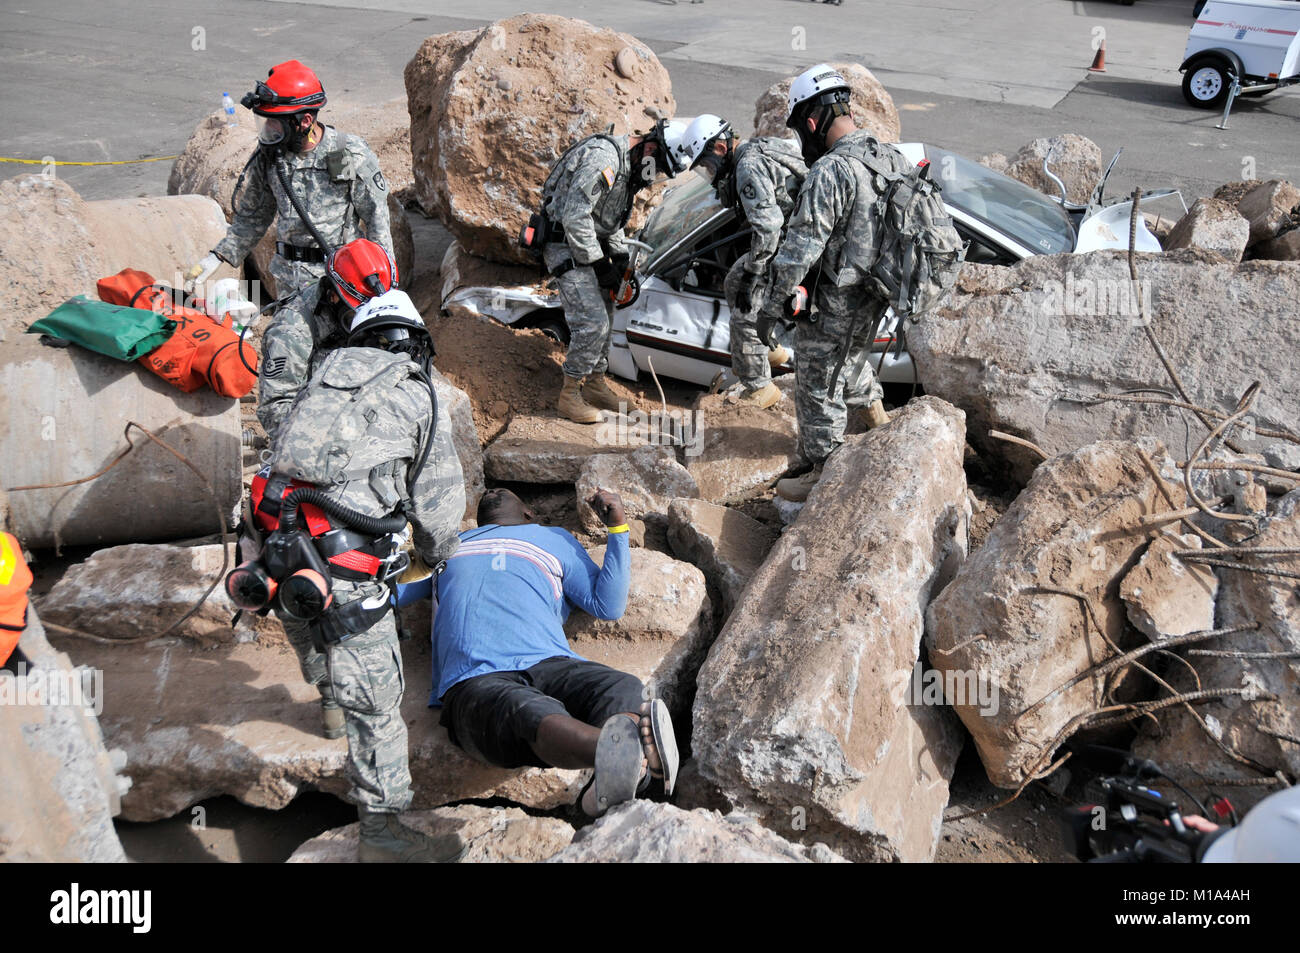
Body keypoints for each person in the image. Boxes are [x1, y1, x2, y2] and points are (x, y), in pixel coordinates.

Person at [248, 289, 465, 861]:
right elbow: (439, 507)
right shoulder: (420, 396)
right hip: (340, 564)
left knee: (312, 625)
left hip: (275, 549)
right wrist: (434, 555)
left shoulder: (322, 376)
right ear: (415, 342)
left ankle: (328, 704)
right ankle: (383, 834)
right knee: (378, 703)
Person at [414, 487, 678, 816]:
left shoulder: (553, 538)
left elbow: (607, 605)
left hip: (549, 664)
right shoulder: (448, 544)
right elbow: (392, 591)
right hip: (477, 679)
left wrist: (618, 527)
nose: (493, 488)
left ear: (528, 514)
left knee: (622, 687)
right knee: (525, 708)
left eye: (506, 489)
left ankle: (604, 786)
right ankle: (617, 751)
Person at [760, 65, 900, 502]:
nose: (803, 139)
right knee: (853, 362)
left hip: (836, 301)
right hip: (875, 296)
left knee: (817, 382)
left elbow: (801, 247)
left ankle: (824, 473)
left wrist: (770, 307)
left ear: (814, 120)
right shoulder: (888, 156)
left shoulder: (832, 171)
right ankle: (883, 431)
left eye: (802, 127)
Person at [185, 60, 392, 301]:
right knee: (282, 337)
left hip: (342, 281)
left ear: (304, 121)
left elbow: (377, 220)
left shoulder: (345, 153)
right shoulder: (269, 156)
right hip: (289, 281)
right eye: (265, 120)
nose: (269, 129)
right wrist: (218, 256)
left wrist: (385, 286)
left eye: (275, 121)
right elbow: (253, 219)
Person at [539, 120, 679, 423]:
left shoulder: (630, 168)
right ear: (650, 148)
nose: (655, 176)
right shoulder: (604, 159)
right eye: (659, 168)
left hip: (590, 242)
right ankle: (570, 394)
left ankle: (595, 383)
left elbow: (609, 221)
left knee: (608, 308)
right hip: (565, 243)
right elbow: (576, 217)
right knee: (593, 322)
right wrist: (601, 266)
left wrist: (617, 258)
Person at [673, 114, 805, 409]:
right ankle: (769, 348)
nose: (710, 173)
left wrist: (753, 274)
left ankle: (759, 386)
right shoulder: (759, 147)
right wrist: (745, 274)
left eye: (706, 165)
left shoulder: (746, 168)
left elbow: (768, 228)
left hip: (799, 244)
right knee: (734, 278)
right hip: (799, 236)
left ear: (720, 148)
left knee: (745, 310)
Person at [256, 237, 397, 439]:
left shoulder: (375, 302)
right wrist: (341, 434)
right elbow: (274, 411)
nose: (366, 319)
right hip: (317, 438)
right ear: (333, 296)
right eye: (357, 312)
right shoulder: (292, 330)